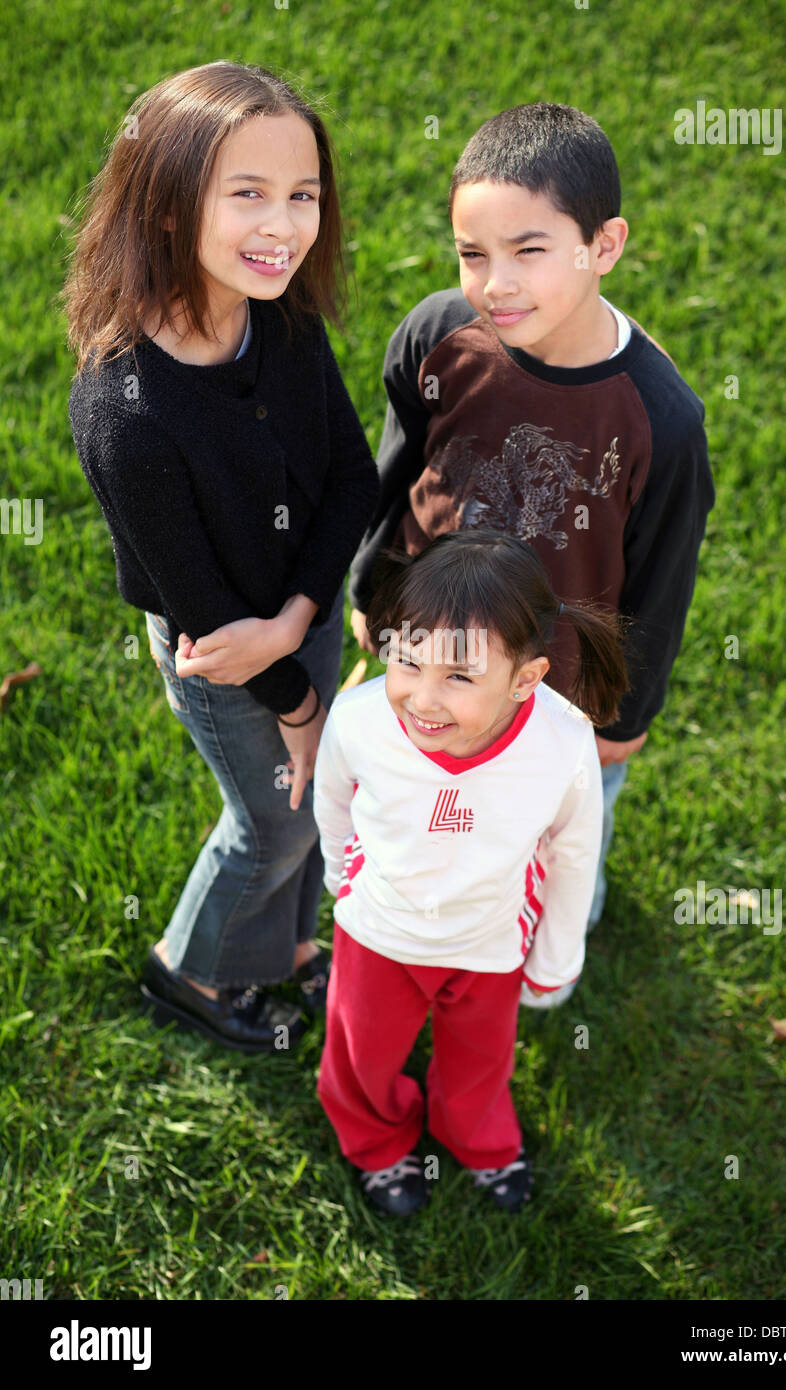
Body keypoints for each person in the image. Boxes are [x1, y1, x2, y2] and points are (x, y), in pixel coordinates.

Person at [346, 103, 714, 1006]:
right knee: (434, 794)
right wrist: (371, 586)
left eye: (530, 250)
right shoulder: (439, 337)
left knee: (555, 828)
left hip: (565, 686)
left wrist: (623, 719)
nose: (495, 283)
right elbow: (395, 475)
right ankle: (427, 909)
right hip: (439, 648)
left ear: (605, 244)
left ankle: (551, 946)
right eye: (473, 254)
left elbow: (662, 587)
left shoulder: (660, 419)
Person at [63, 62, 379, 1052]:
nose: (282, 226)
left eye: (302, 196)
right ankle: (190, 969)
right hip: (221, 664)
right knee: (275, 823)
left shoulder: (278, 316)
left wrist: (296, 619)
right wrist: (296, 702)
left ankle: (281, 952)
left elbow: (352, 480)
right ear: (163, 208)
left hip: (298, 615)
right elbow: (210, 619)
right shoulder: (127, 415)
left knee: (312, 798)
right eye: (247, 195)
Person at [313, 529, 629, 1215]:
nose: (423, 700)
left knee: (481, 1062)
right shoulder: (360, 721)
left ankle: (477, 1138)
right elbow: (333, 801)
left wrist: (555, 956)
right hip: (378, 932)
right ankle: (378, 1144)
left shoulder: (563, 742)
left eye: (458, 676)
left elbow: (574, 854)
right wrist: (345, 877)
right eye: (407, 660)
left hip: (489, 943)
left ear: (525, 679)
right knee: (361, 1052)